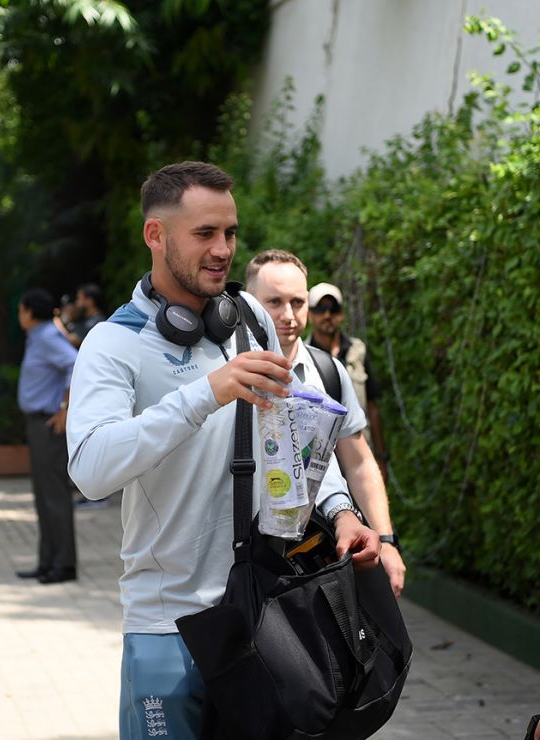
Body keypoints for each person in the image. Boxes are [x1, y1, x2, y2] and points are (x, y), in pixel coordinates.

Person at [67, 160, 379, 739]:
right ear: (155, 234)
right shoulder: (113, 343)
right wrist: (205, 393)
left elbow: (298, 430)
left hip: (266, 611)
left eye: (230, 233)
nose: (223, 250)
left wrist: (341, 510)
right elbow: (90, 468)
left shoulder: (250, 319)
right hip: (168, 625)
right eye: (204, 233)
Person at [246, 249, 407, 596]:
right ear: (249, 304)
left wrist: (386, 540)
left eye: (297, 302)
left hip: (314, 563)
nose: (288, 315)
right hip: (238, 566)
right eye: (274, 302)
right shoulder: (229, 374)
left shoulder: (329, 372)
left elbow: (358, 462)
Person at [16, 287, 79, 584]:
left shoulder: (47, 337)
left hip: (49, 425)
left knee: (54, 496)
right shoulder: (38, 336)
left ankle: (64, 565)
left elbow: (75, 364)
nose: (19, 315)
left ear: (30, 312)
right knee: (44, 496)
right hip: (38, 425)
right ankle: (47, 561)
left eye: (21, 310)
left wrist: (66, 407)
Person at [307, 282, 390, 478]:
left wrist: (381, 457)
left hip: (359, 449)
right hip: (319, 460)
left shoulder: (357, 351)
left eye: (333, 309)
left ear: (341, 313)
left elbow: (372, 405)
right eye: (320, 309)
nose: (327, 315)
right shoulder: (303, 355)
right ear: (309, 315)